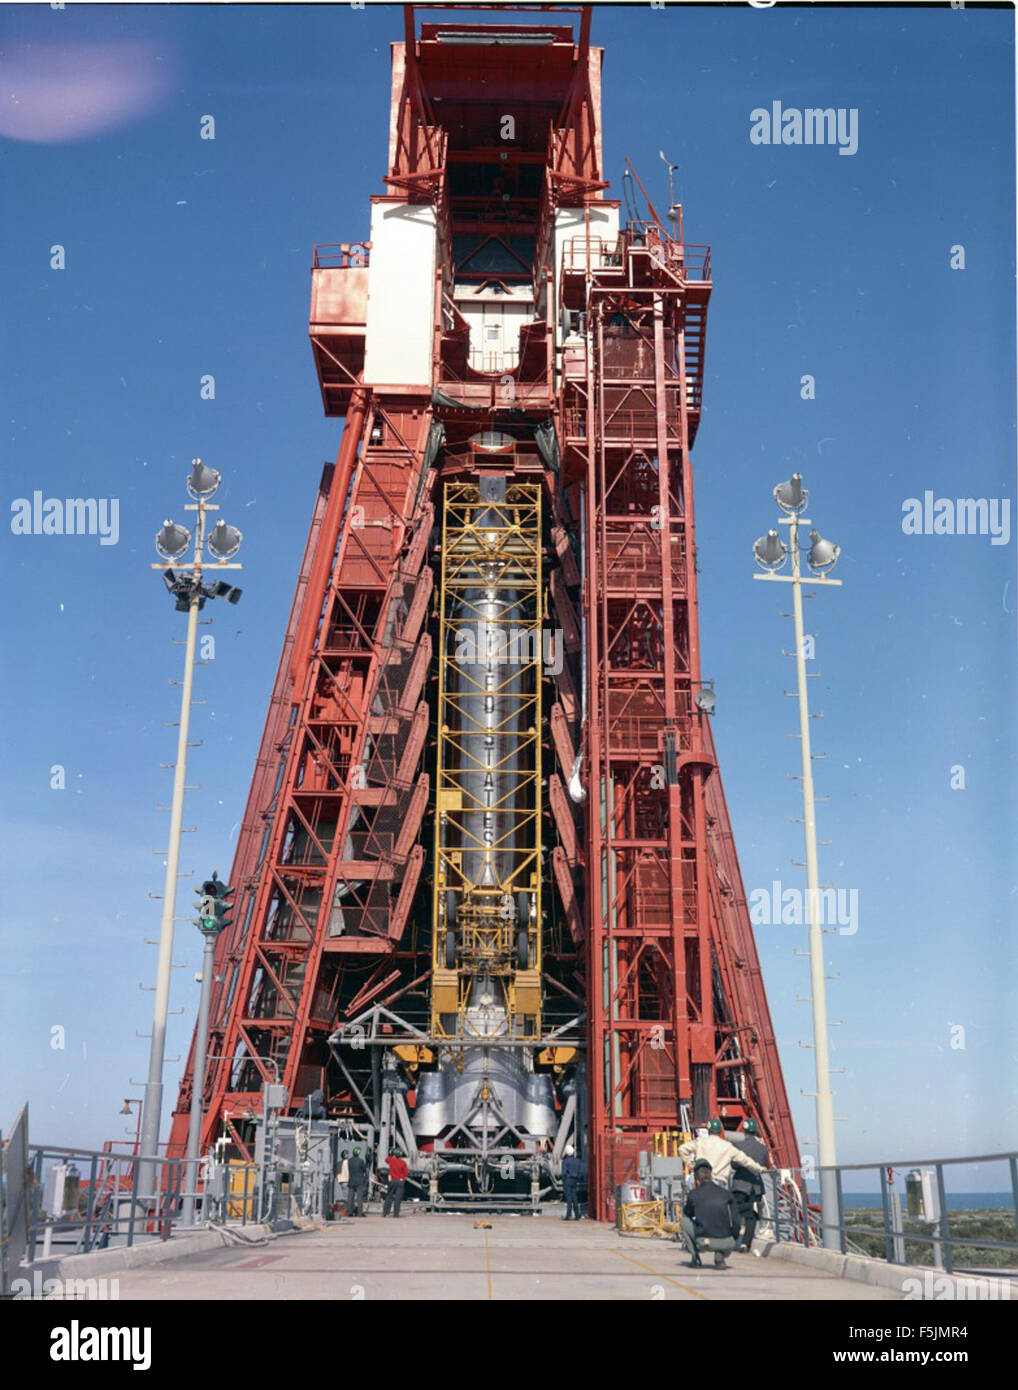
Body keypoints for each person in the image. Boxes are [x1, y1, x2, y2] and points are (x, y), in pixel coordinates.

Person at [679, 1159, 739, 1269]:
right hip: (727, 1243)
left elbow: (687, 1213)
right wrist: (734, 1238)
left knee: (684, 1222)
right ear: (711, 1176)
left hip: (703, 1242)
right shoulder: (726, 1194)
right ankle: (720, 1258)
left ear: (696, 1179)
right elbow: (736, 1221)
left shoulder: (694, 1195)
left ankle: (695, 1258)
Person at [678, 1117, 766, 1186]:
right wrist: (760, 1169)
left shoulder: (700, 1142)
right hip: (717, 1182)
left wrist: (689, 1164)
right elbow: (745, 1161)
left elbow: (682, 1149)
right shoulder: (728, 1147)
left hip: (698, 1182)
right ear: (720, 1131)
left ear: (709, 1131)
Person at [730, 1117, 769, 1252]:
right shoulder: (763, 1148)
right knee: (751, 1216)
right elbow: (763, 1166)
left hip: (740, 1184)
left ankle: (734, 1238)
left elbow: (734, 1165)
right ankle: (746, 1243)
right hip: (756, 1185)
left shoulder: (738, 1147)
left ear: (744, 1130)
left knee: (734, 1209)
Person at [383, 1149, 409, 1218]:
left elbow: (386, 1159)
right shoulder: (403, 1162)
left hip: (392, 1181)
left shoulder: (391, 1160)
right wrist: (403, 1179)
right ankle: (396, 1214)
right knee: (398, 1198)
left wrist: (391, 1154)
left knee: (389, 1197)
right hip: (400, 1182)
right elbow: (406, 1173)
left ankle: (385, 1213)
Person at [561, 1144, 583, 1220]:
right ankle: (577, 1215)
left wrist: (564, 1180)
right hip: (575, 1181)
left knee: (569, 1199)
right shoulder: (578, 1161)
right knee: (574, 1197)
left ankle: (568, 1215)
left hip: (567, 1180)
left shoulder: (565, 1161)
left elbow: (563, 1173)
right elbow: (580, 1172)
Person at [346, 1148, 368, 1217]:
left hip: (351, 1180)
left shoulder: (349, 1161)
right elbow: (364, 1170)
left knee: (350, 1198)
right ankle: (359, 1213)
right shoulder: (361, 1161)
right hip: (359, 1181)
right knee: (359, 1198)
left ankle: (349, 1212)